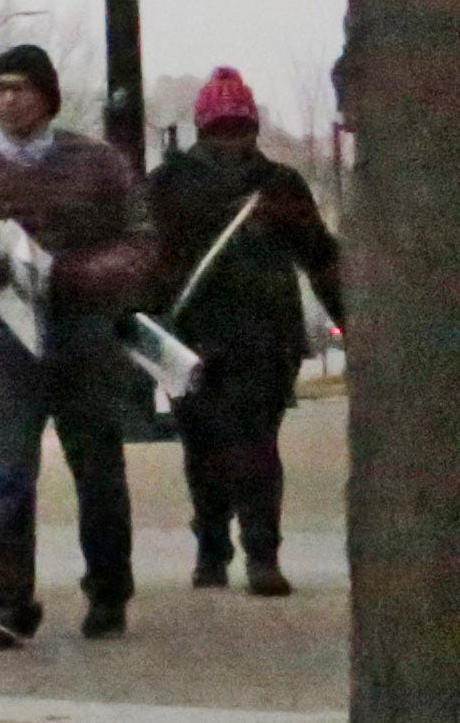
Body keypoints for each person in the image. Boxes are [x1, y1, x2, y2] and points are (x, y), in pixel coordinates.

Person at [0, 44, 158, 646]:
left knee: (97, 469)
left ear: (48, 96)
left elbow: (140, 242)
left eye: (21, 88)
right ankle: (8, 603)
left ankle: (109, 592)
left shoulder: (99, 163)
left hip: (83, 331)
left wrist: (71, 272)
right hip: (6, 336)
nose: (9, 99)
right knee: (8, 474)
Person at [147, 68, 344, 594]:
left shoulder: (277, 187)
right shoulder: (174, 184)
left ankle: (254, 551)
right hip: (197, 339)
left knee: (252, 447)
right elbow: (150, 261)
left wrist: (350, 317)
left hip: (258, 340)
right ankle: (220, 546)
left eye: (238, 128)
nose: (231, 139)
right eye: (222, 129)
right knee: (208, 447)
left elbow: (320, 257)